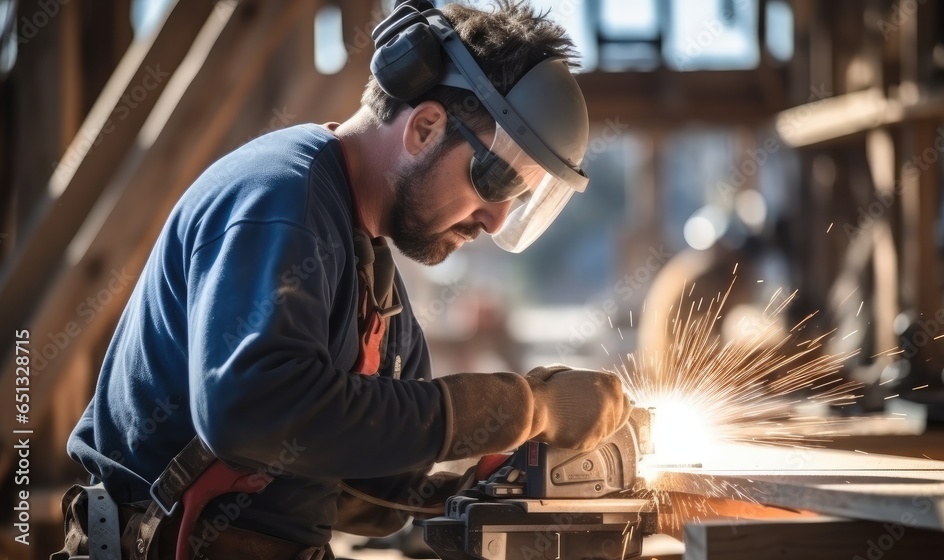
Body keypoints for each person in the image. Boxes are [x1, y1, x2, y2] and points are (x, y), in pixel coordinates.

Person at [53, 1, 632, 558]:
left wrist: (500, 467)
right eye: (496, 182)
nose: (495, 218)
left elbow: (365, 491)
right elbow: (247, 412)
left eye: (520, 200)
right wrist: (522, 407)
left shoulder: (375, 283)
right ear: (426, 128)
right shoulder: (282, 199)